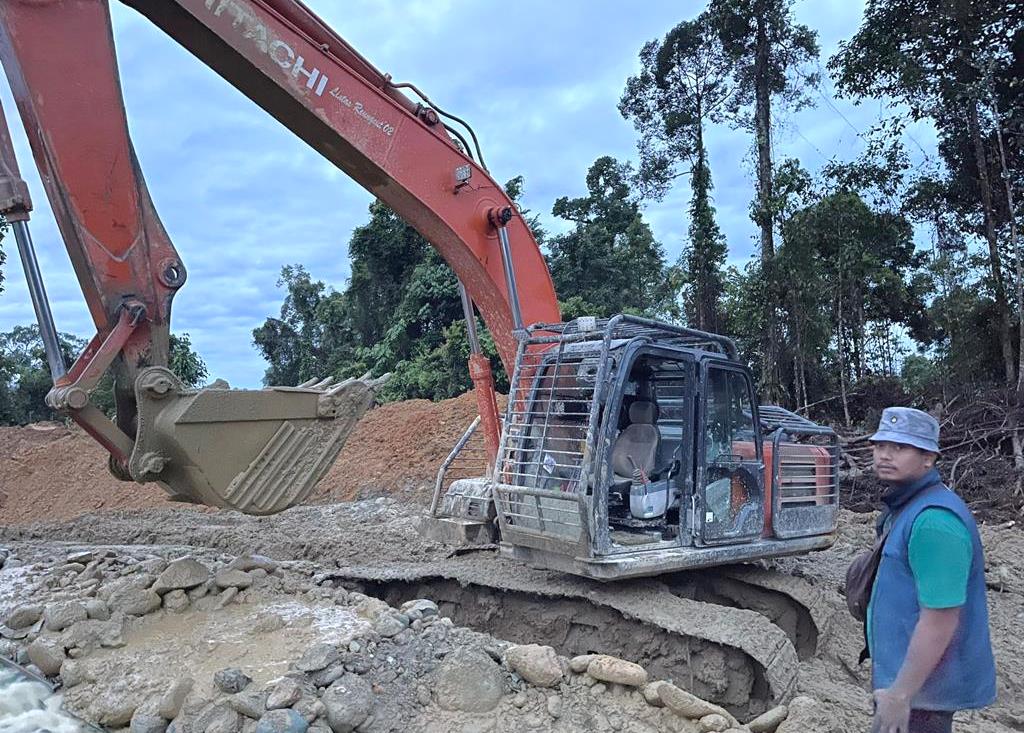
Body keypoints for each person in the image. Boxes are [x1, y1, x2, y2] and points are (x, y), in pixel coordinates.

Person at [867, 407, 996, 733]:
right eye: (880, 445)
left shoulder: (934, 521)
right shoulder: (909, 507)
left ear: (928, 458)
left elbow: (941, 619)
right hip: (912, 687)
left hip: (921, 696)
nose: (885, 454)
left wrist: (901, 694)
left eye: (900, 447)